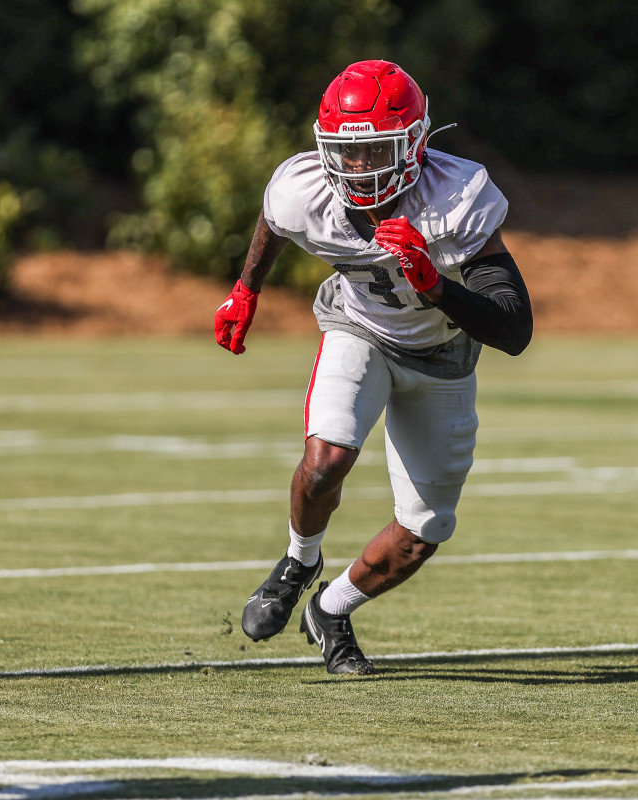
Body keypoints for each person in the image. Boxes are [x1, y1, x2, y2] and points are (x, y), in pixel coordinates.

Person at [214, 60, 532, 675]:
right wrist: (246, 288)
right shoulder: (302, 187)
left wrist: (437, 285)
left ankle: (331, 610)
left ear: (414, 143)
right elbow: (274, 223)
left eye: (376, 151)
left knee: (424, 529)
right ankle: (300, 560)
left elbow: (514, 329)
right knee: (325, 460)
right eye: (346, 153)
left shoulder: (454, 197)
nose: (359, 169)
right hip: (357, 328)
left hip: (441, 358)